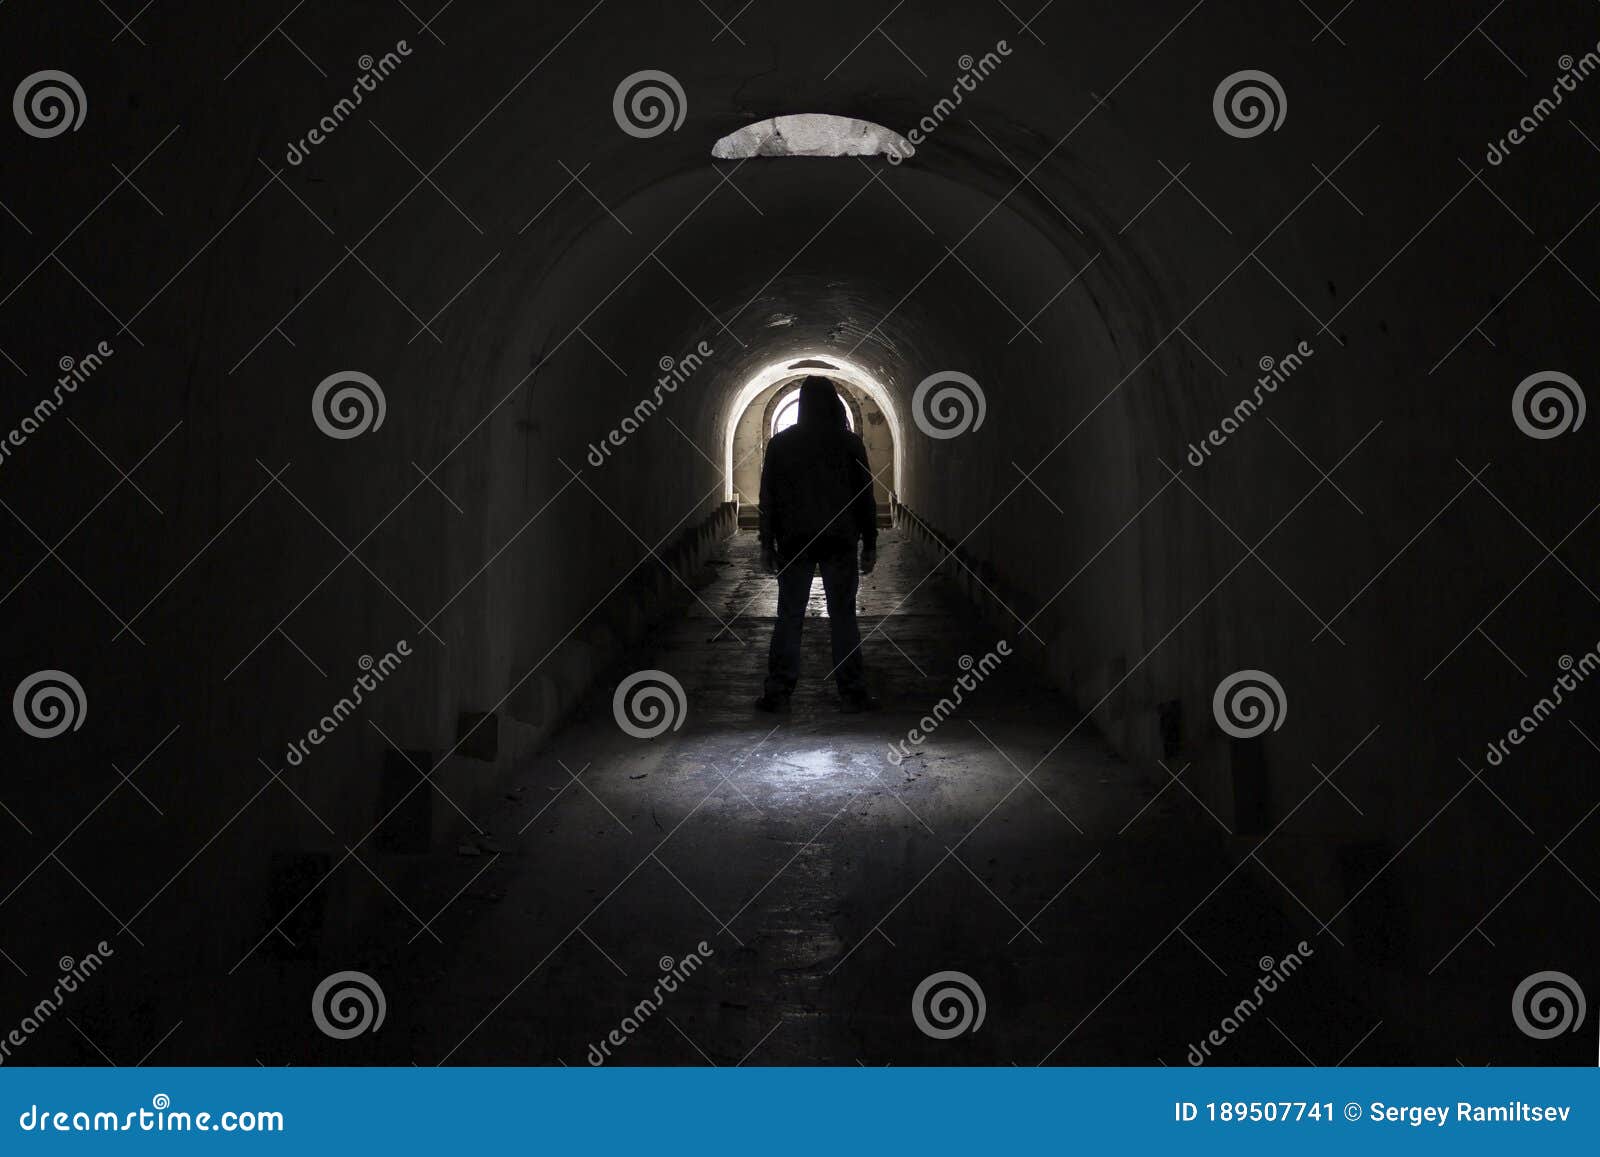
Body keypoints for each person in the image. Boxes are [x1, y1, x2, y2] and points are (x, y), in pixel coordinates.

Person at [756, 376, 881, 712]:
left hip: (794, 540)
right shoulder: (850, 443)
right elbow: (864, 497)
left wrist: (766, 542)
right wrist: (870, 542)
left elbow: (768, 497)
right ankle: (852, 691)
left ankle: (778, 691)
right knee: (843, 616)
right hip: (840, 540)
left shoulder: (781, 444)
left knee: (789, 616)